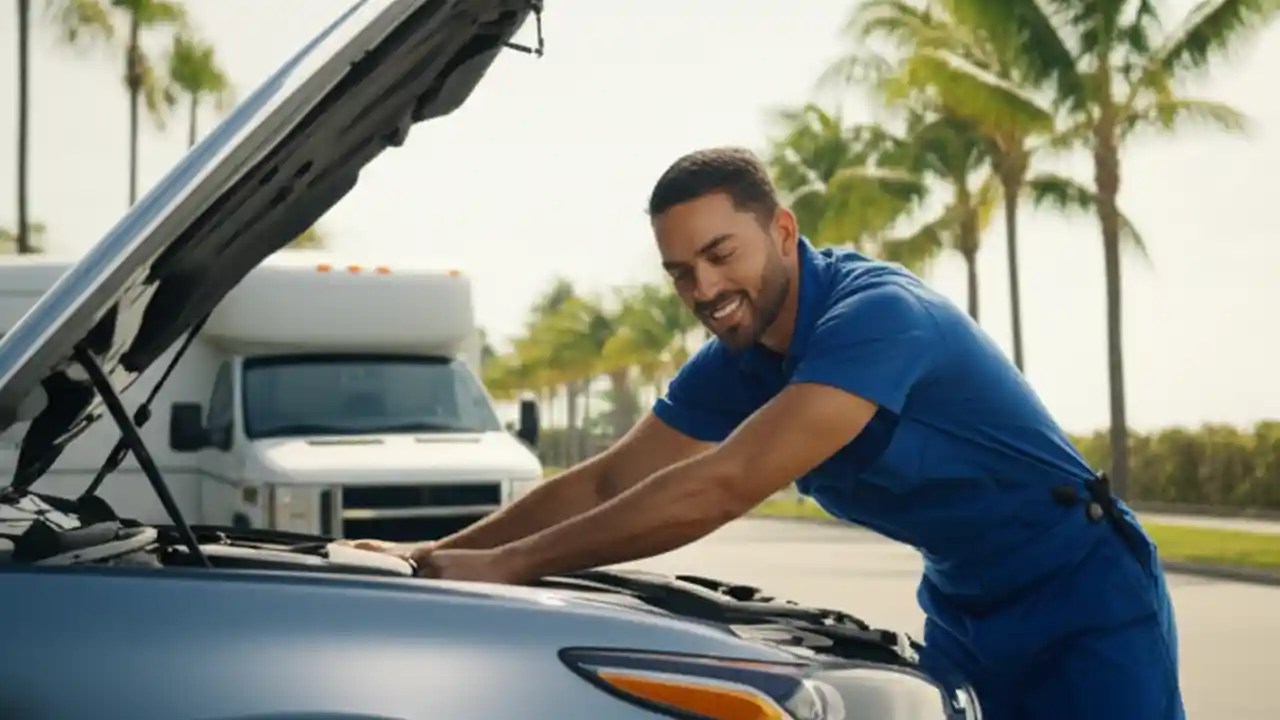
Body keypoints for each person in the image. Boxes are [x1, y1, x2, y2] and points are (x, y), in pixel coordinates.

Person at [342, 146, 1184, 719]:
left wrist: (510, 568)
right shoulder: (739, 358)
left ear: (782, 229)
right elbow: (607, 481)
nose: (705, 288)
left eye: (721, 253)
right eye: (682, 272)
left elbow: (722, 484)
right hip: (966, 605)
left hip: (1083, 594)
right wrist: (433, 555)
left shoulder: (880, 317)